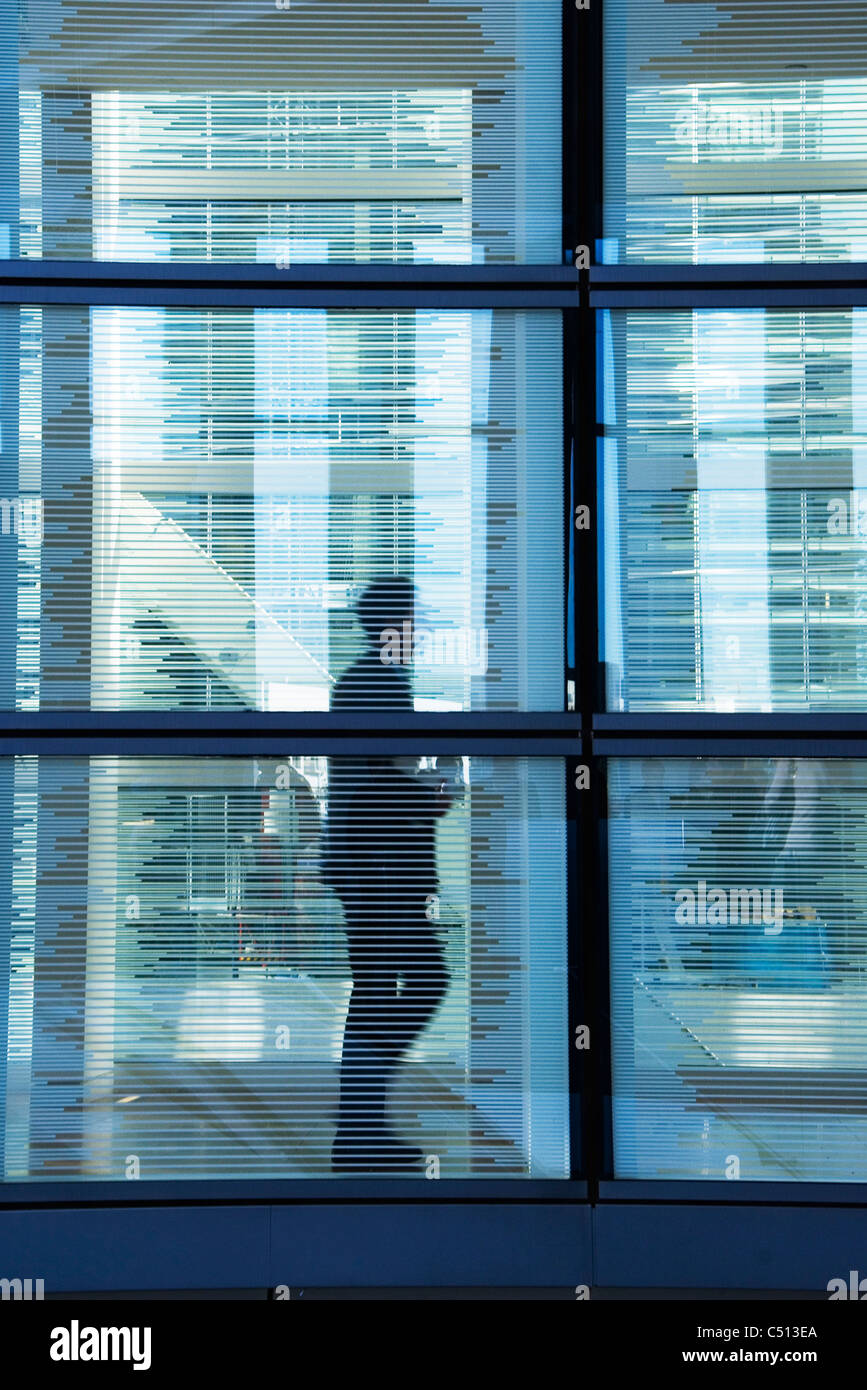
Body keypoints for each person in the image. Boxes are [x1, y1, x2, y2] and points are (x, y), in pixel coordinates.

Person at [324, 577, 453, 1172]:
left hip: (371, 860)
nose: (420, 631)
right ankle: (357, 1116)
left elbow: (374, 776)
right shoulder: (372, 683)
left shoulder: (373, 681)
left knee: (379, 988)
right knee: (416, 981)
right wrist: (426, 794)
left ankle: (358, 1118)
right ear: (390, 625)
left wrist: (420, 792)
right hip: (375, 863)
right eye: (412, 619)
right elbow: (374, 782)